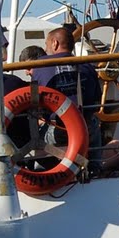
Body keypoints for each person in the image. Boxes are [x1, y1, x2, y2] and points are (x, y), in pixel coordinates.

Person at [32, 26, 104, 158]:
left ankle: (40, 171)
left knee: (39, 134)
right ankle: (95, 168)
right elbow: (97, 103)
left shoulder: (40, 65)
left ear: (55, 43)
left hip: (59, 129)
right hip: (85, 127)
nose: (46, 48)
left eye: (46, 44)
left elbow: (35, 102)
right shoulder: (87, 66)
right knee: (94, 124)